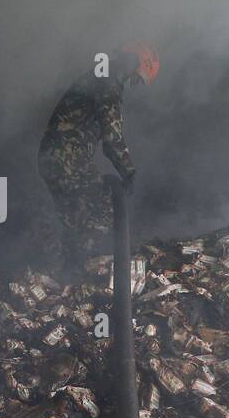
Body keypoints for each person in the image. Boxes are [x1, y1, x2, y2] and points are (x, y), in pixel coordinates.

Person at [38, 43, 160, 273]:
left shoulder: (99, 76)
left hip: (53, 156)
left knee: (72, 213)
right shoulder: (108, 84)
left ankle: (62, 271)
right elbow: (112, 138)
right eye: (138, 78)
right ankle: (81, 267)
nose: (134, 84)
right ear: (135, 63)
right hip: (68, 157)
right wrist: (129, 171)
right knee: (104, 205)